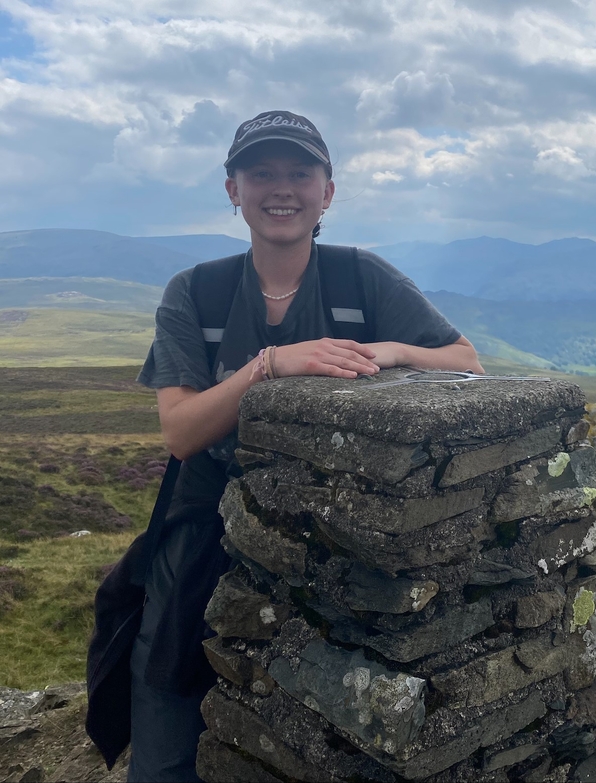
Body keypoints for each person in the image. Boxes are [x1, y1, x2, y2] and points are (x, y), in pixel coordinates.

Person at [93, 110, 483, 782]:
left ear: (326, 192)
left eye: (300, 173)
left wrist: (390, 350)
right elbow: (182, 432)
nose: (282, 188)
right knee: (167, 734)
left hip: (331, 546)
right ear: (233, 190)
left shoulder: (363, 279)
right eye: (261, 173)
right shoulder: (196, 292)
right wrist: (270, 365)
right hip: (199, 540)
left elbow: (466, 362)